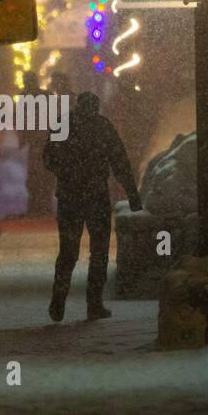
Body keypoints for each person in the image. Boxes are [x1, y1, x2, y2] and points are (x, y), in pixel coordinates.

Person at [42, 91, 141, 323]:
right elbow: (119, 161)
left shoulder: (64, 124)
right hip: (96, 196)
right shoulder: (102, 127)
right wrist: (132, 194)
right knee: (99, 251)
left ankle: (58, 301)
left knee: (68, 251)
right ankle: (94, 304)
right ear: (95, 108)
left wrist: (66, 173)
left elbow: (48, 157)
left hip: (70, 197)